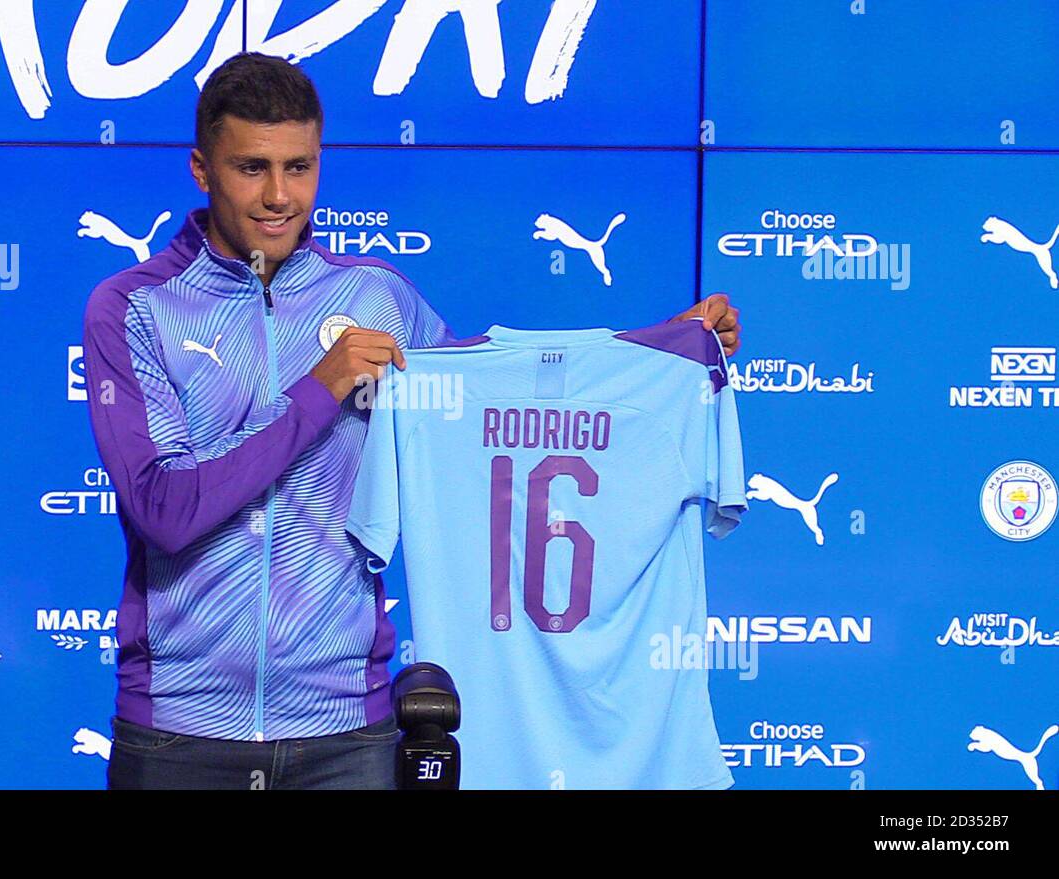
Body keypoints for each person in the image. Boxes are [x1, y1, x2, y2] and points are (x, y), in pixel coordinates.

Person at [82, 52, 741, 790]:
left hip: (345, 735)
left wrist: (661, 348)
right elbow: (163, 507)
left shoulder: (378, 299)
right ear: (202, 169)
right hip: (177, 733)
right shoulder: (133, 307)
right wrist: (321, 386)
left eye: (299, 168)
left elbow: (501, 403)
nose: (278, 196)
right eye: (251, 168)